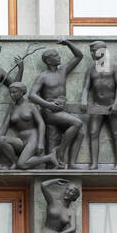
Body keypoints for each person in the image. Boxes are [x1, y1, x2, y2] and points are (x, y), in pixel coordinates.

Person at [27, 40, 85, 168]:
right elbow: (32, 95)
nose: (59, 57)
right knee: (78, 123)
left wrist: (68, 43)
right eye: (56, 55)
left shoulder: (63, 70)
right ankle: (60, 151)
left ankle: (72, 162)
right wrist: (49, 105)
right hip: (49, 112)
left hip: (61, 111)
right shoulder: (43, 76)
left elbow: (79, 56)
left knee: (80, 133)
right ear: (48, 60)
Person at [79, 40, 117, 168]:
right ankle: (94, 163)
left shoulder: (115, 67)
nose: (92, 54)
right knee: (93, 133)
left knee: (116, 133)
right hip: (97, 106)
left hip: (112, 106)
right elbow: (86, 88)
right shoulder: (91, 70)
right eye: (91, 51)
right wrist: (83, 99)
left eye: (93, 51)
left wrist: (116, 103)